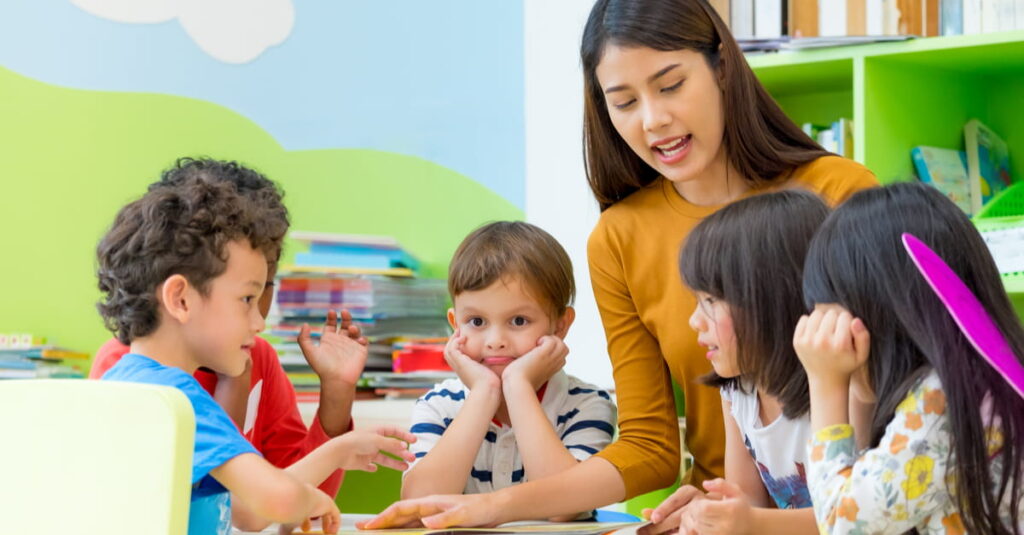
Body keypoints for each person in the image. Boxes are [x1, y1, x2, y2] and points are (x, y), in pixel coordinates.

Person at [363, 0, 876, 528]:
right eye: (624, 101)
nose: (653, 120)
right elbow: (651, 444)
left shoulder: (838, 193)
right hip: (718, 512)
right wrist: (489, 507)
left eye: (671, 84)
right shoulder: (618, 236)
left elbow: (896, 403)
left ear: (722, 66)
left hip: (852, 506)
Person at [96, 176, 415, 534]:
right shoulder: (178, 400)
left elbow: (246, 512)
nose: (259, 322)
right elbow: (275, 500)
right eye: (247, 299)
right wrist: (311, 500)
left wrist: (339, 451)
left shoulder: (121, 385)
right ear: (181, 299)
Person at [794, 182, 1024, 534]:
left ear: (883, 315)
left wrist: (826, 384)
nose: (832, 343)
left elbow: (845, 524)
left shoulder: (942, 400)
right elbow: (866, 481)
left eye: (836, 325)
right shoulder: (982, 374)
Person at [642, 190, 835, 535]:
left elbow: (856, 518)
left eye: (711, 300)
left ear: (773, 298)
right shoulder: (738, 390)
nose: (694, 321)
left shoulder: (836, 386)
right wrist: (707, 512)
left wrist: (749, 521)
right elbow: (748, 507)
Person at [401, 222, 616, 521]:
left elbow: (566, 510)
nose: (495, 342)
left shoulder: (588, 404)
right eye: (476, 322)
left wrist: (518, 387)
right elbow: (419, 507)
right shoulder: (439, 404)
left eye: (518, 321)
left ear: (560, 325)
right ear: (455, 323)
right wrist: (484, 393)